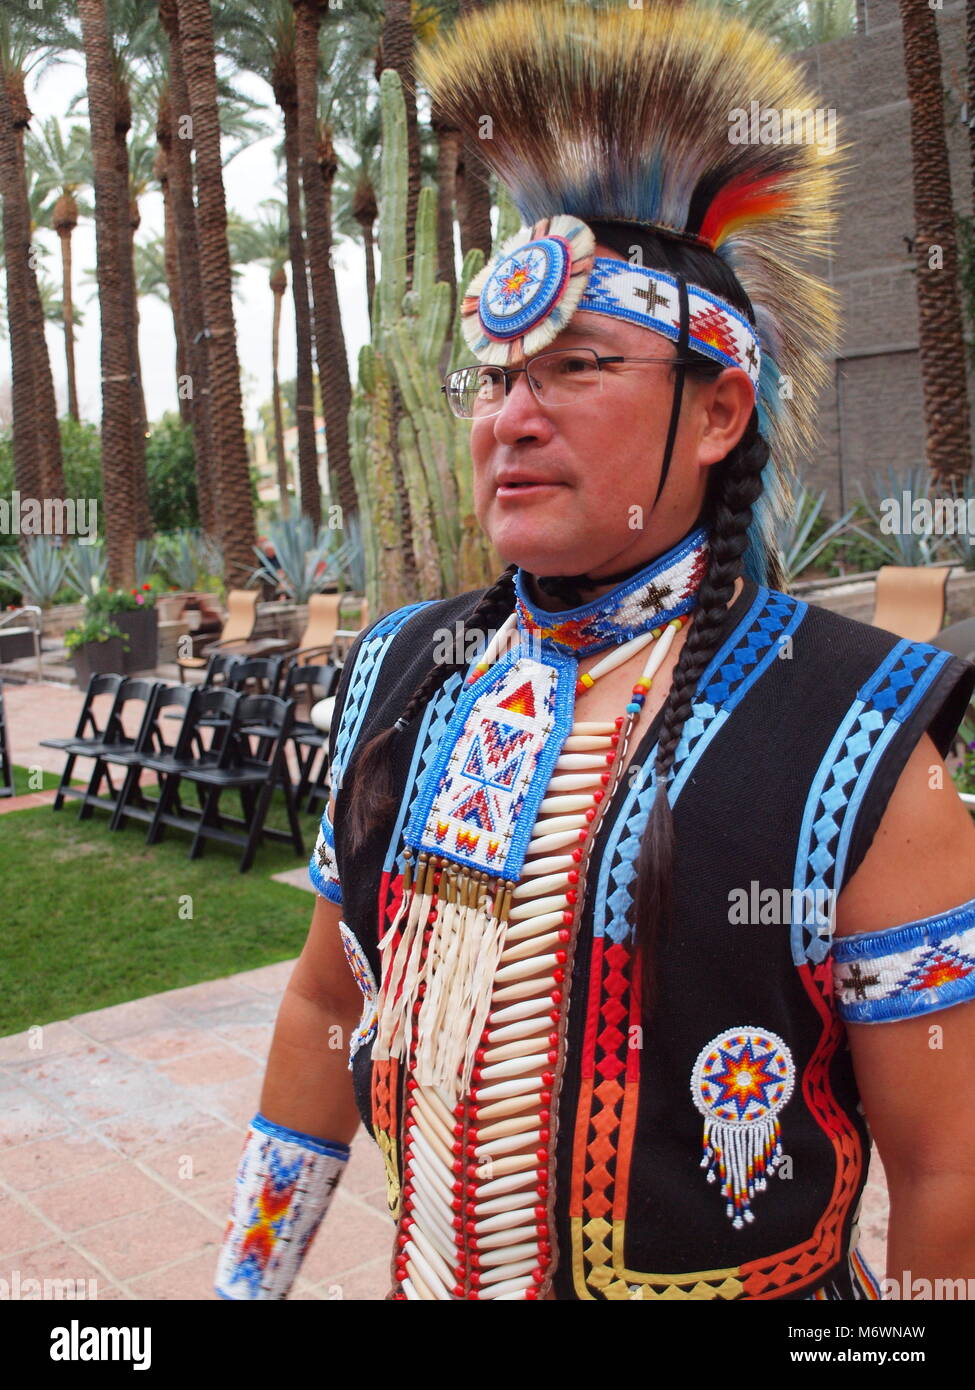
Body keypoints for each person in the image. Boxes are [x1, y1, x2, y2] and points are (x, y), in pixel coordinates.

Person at [215, 0, 975, 1301]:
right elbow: (325, 1007)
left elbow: (952, 1168)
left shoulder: (861, 738)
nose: (511, 415)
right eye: (494, 375)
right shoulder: (406, 678)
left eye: (575, 366)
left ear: (719, 408)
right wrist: (243, 1286)